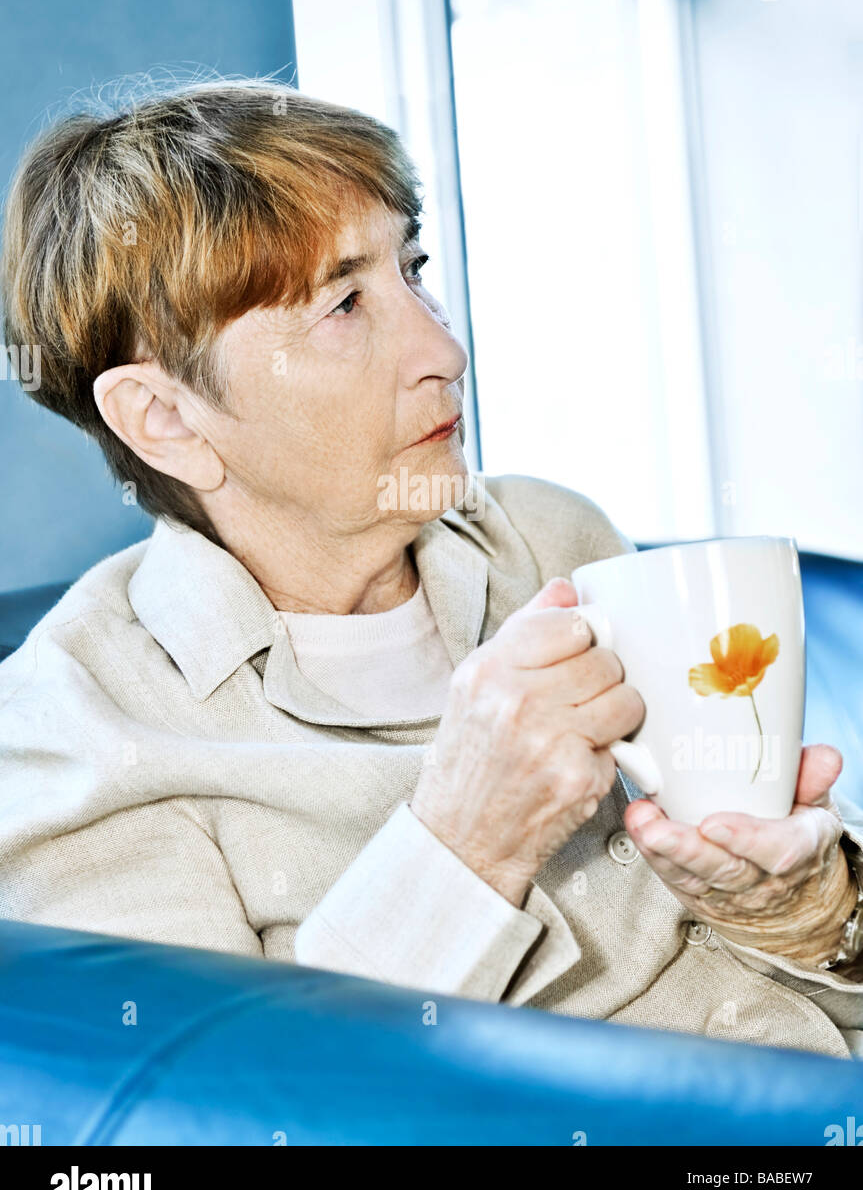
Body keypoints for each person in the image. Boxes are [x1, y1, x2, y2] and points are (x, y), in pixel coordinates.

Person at [1, 78, 861, 1059]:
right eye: (344, 304)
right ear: (166, 418)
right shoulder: (68, 743)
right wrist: (466, 841)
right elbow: (212, 1120)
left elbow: (822, 934)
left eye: (411, 270)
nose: (443, 349)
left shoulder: (552, 535)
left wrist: (813, 908)